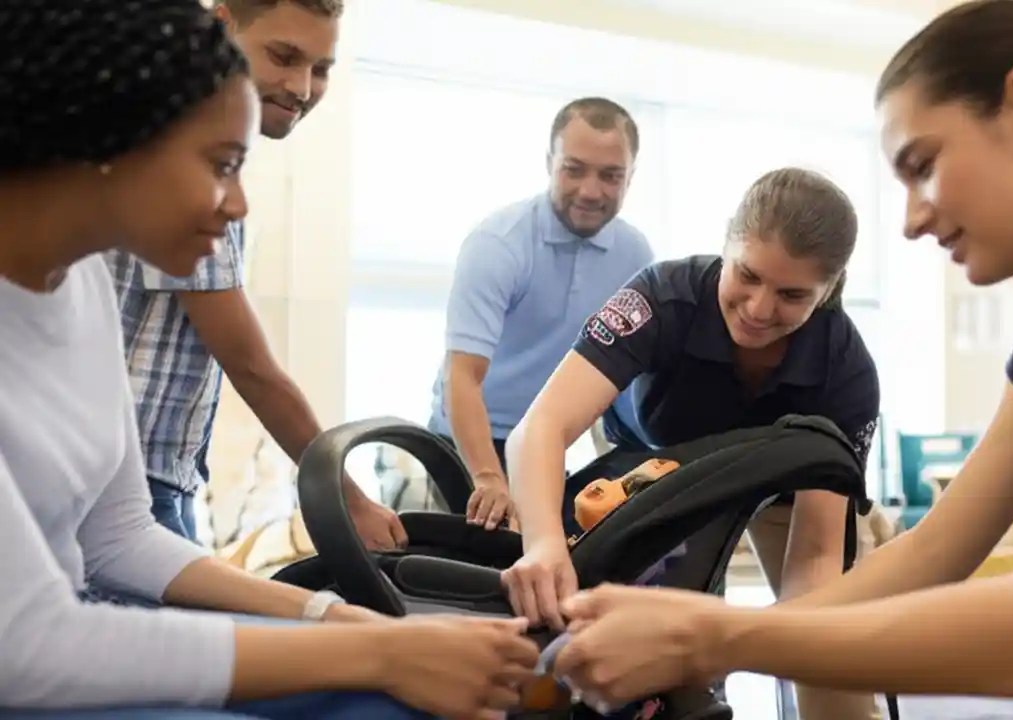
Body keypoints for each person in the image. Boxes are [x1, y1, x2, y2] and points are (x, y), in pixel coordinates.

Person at [535, 1, 1013, 717]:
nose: (913, 218)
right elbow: (936, 553)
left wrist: (714, 637)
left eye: (922, 165)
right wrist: (719, 636)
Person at [0, 2, 537, 718]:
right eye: (223, 165)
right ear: (112, 137)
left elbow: (119, 536)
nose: (240, 204)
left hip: (60, 632)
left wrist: (332, 616)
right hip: (33, 665)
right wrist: (383, 649)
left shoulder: (88, 283)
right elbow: (27, 644)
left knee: (390, 698)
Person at [504, 167, 883, 720]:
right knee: (639, 658)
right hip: (659, 477)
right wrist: (541, 543)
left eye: (792, 294)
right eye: (747, 275)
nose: (758, 309)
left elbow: (817, 554)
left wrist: (795, 640)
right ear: (726, 242)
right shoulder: (659, 298)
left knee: (831, 650)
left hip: (783, 497)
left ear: (830, 288)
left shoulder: (845, 370)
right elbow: (539, 428)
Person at [103, 0, 406, 551]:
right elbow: (251, 366)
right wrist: (350, 500)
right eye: (284, 55)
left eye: (321, 68)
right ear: (222, 25)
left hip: (151, 477)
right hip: (124, 486)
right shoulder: (179, 147)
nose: (302, 86)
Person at [426, 97, 654, 530]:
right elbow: (463, 376)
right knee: (475, 576)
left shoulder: (635, 255)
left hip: (545, 441)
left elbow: (624, 379)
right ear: (550, 162)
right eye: (574, 169)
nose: (591, 191)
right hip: (470, 442)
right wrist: (489, 477)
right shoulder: (498, 244)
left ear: (631, 176)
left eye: (611, 175)